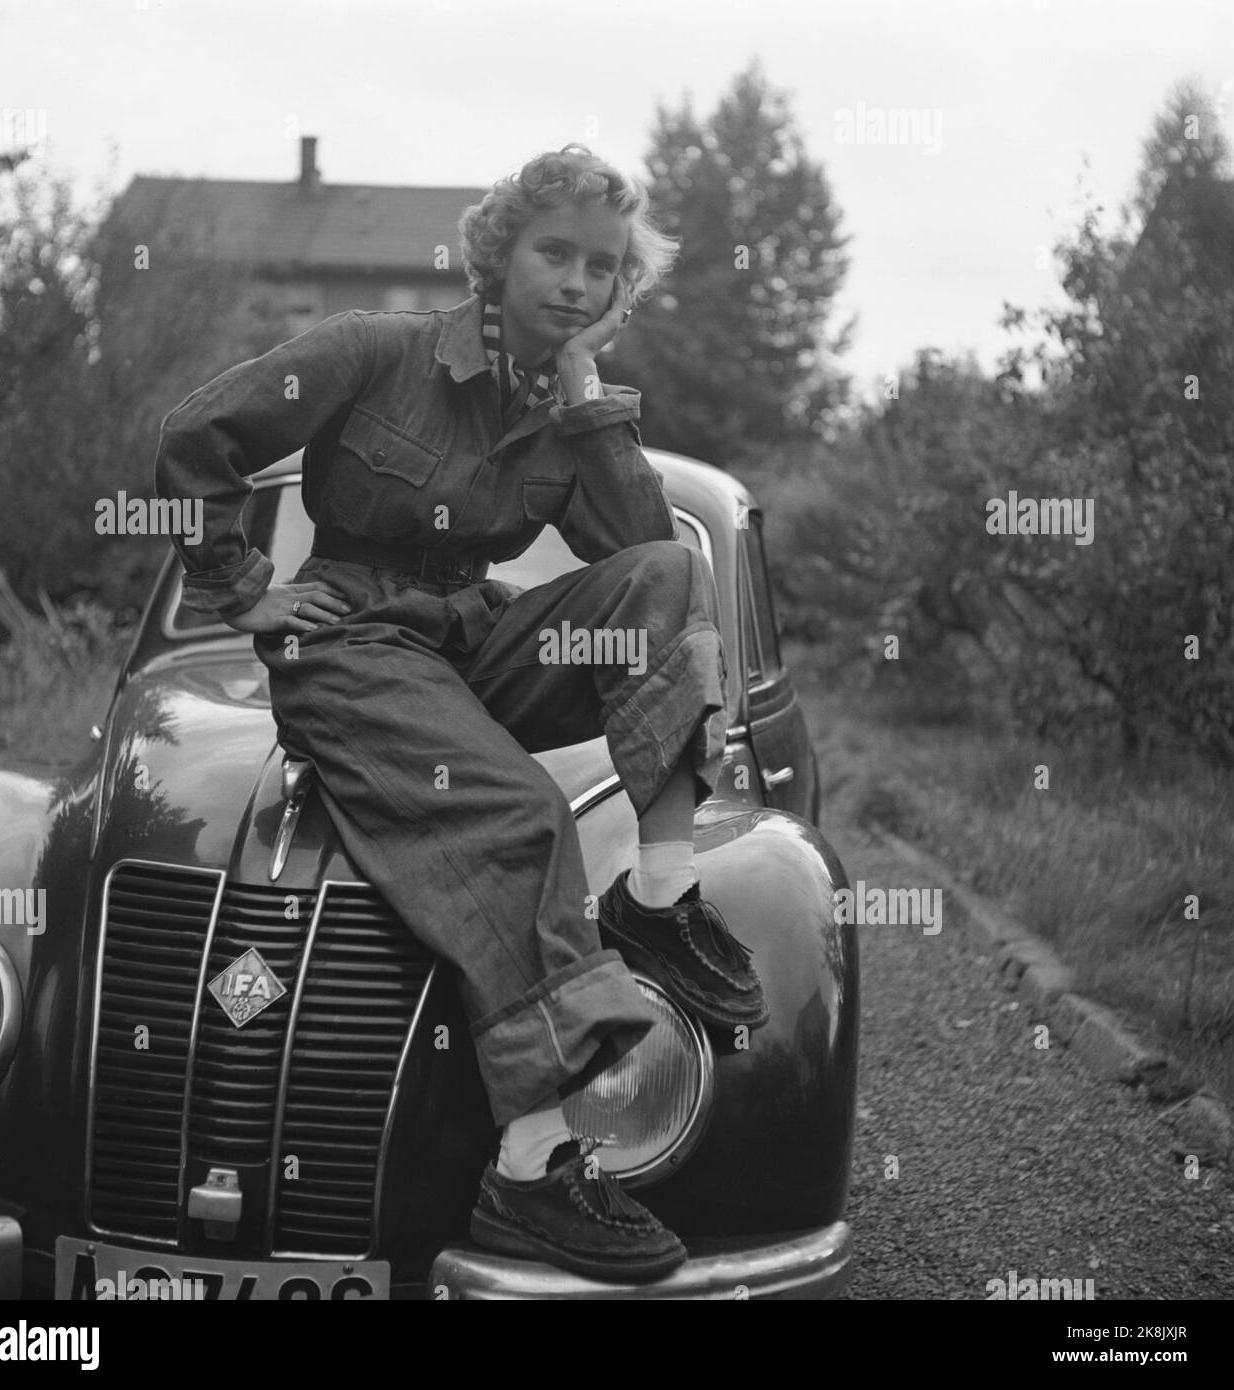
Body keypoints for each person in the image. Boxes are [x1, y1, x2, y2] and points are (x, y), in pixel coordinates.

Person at [154, 144, 767, 1283]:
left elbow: (638, 546)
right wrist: (245, 591)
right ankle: (531, 1169)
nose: (578, 280)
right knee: (524, 813)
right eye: (555, 251)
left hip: (461, 641)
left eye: (603, 266)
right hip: (347, 647)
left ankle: (658, 894)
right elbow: (197, 435)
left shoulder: (559, 409)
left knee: (664, 582)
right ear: (496, 253)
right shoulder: (373, 349)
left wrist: (585, 395)